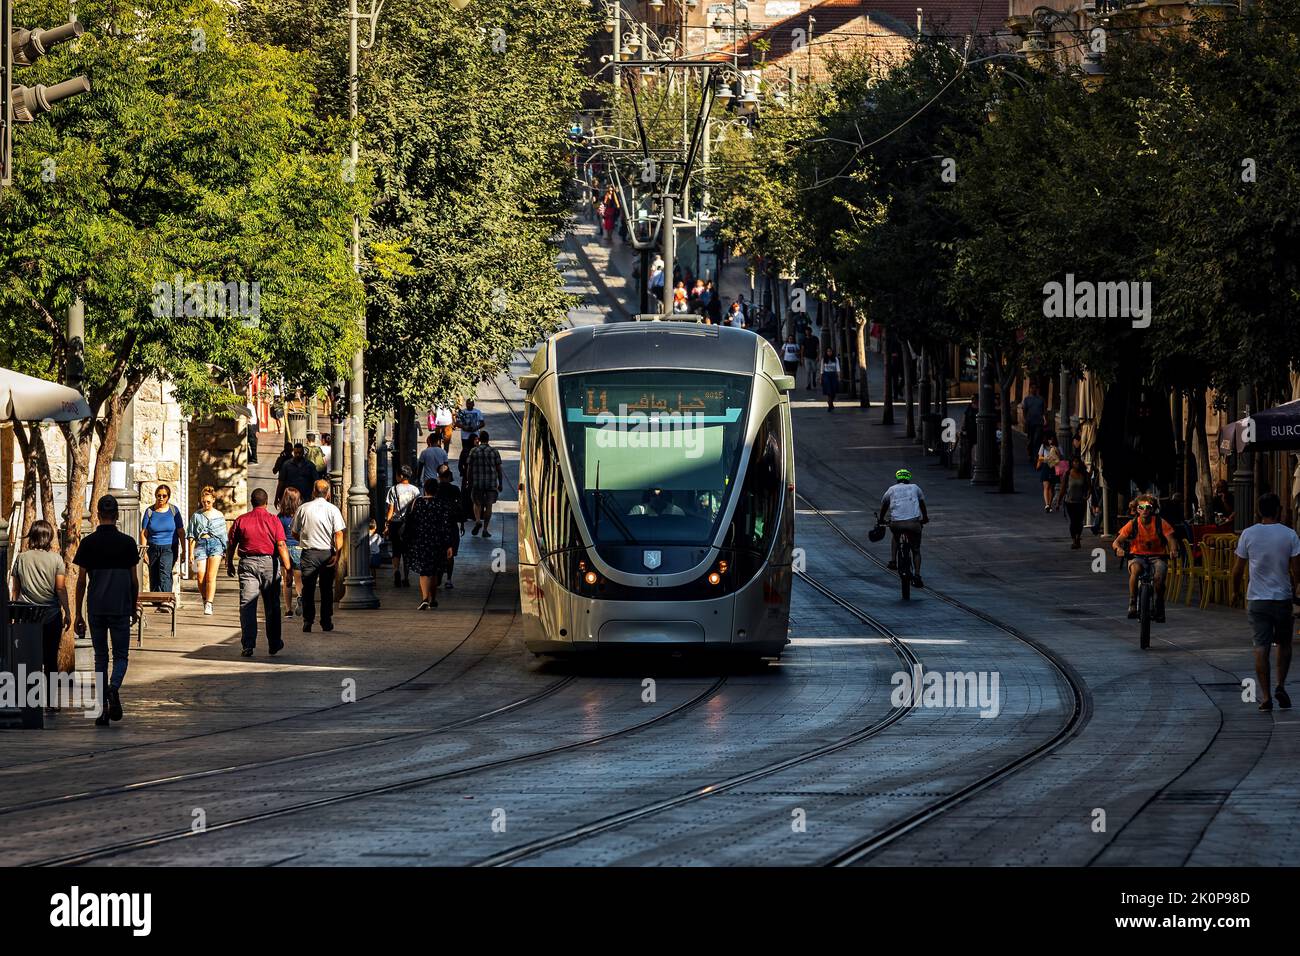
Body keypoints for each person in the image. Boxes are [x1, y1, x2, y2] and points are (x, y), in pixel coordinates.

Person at [73, 495, 140, 726]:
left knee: (101, 658)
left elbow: (81, 581)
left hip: (96, 608)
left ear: (98, 515)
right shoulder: (128, 543)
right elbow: (134, 580)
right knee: (121, 655)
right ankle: (114, 688)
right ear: (118, 515)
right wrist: (133, 606)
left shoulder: (88, 543)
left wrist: (78, 613)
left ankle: (102, 710)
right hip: (121, 606)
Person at [1231, 493, 1300, 711]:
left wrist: (1235, 592)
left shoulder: (1248, 534)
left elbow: (1237, 570)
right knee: (1284, 644)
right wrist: (1296, 589)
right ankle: (1280, 684)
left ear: (1259, 511)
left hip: (1257, 600)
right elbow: (1298, 570)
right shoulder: (1290, 535)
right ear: (1279, 509)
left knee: (1260, 648)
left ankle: (1265, 696)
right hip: (1282, 599)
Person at [11, 520, 70, 708]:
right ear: (49, 537)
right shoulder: (56, 559)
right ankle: (51, 701)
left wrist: (14, 613)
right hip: (51, 614)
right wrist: (68, 611)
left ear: (32, 536)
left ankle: (29, 700)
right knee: (50, 658)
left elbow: (15, 590)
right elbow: (60, 589)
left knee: (28, 657)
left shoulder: (21, 558)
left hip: (27, 615)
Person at [226, 488, 291, 656]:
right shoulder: (273, 520)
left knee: (247, 605)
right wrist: (287, 568)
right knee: (272, 605)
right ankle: (274, 643)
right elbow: (281, 545)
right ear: (267, 501)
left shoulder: (241, 520)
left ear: (251, 501)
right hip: (269, 563)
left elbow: (231, 543)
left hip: (247, 564)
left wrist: (229, 563)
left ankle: (248, 644)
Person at [291, 479, 346, 634]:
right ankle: (326, 621)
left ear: (313, 492)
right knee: (326, 589)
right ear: (328, 493)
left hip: (309, 553)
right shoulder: (333, 510)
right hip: (327, 553)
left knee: (308, 589)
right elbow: (339, 533)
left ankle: (308, 621)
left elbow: (294, 531)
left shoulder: (303, 508)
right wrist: (337, 553)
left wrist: (304, 540)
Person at [1112, 493, 1176, 622]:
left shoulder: (1160, 522)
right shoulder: (1132, 524)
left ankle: (1159, 606)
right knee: (1135, 570)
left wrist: (1173, 550)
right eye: (1141, 507)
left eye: (1148, 507)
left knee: (1159, 578)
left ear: (1152, 509)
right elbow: (1116, 542)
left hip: (1158, 557)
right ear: (1137, 509)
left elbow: (1171, 539)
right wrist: (1118, 549)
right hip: (1137, 556)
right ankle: (1132, 602)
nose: (1145, 510)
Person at [404, 477, 458, 610]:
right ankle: (433, 598)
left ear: (425, 489)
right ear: (437, 490)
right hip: (438, 541)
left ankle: (424, 598)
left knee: (424, 571)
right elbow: (446, 525)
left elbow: (410, 522)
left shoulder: (417, 503)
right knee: (434, 571)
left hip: (421, 540)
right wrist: (449, 545)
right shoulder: (442, 504)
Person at [877, 469, 929, 588]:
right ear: (908, 478)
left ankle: (893, 561)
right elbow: (922, 504)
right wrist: (925, 517)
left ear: (897, 479)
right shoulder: (915, 487)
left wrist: (881, 519)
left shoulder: (891, 489)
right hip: (913, 523)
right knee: (916, 550)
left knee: (896, 536)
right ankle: (917, 575)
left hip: (897, 524)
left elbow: (884, 505)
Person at [140, 485, 185, 609]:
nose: (161, 498)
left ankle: (166, 601)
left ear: (168, 497)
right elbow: (144, 532)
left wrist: (184, 550)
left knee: (165, 572)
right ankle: (156, 601)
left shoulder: (173, 511)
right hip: (153, 547)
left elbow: (181, 531)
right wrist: (144, 551)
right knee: (154, 574)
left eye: (164, 496)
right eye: (158, 495)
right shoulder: (150, 511)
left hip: (169, 547)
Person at [186, 486, 228, 615]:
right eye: (203, 502)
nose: (206, 504)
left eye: (208, 502)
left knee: (211, 576)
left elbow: (223, 535)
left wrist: (226, 551)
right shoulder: (197, 515)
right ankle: (205, 599)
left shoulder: (219, 515)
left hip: (216, 545)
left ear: (213, 500)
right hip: (201, 545)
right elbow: (191, 534)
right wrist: (190, 552)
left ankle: (209, 603)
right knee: (200, 577)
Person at [385, 464, 421, 587]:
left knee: (396, 550)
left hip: (395, 523)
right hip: (409, 524)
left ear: (400, 476)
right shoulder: (415, 490)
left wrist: (387, 523)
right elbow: (417, 509)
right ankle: (406, 577)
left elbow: (391, 509)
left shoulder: (393, 489)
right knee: (407, 551)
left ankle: (396, 571)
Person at [466, 429, 504, 538]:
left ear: (479, 439)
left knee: (476, 503)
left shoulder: (473, 451)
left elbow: (469, 468)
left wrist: (469, 481)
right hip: (491, 483)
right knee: (489, 506)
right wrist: (500, 483)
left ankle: (478, 520)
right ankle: (485, 529)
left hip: (477, 482)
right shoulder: (494, 451)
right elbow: (499, 469)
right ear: (488, 439)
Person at [435, 464, 463, 590]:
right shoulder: (455, 489)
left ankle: (439, 575)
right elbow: (460, 508)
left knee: (439, 552)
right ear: (449, 476)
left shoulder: (435, 488)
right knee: (450, 554)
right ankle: (449, 579)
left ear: (438, 476)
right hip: (451, 526)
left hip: (437, 526)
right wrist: (461, 524)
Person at [277, 486, 304, 617]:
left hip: (285, 550)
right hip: (298, 548)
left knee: (287, 580)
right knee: (299, 580)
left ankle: (288, 610)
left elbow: (279, 537)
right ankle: (300, 596)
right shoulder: (301, 515)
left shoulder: (280, 517)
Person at [1060, 456, 1091, 550]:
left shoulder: (1084, 474)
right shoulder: (1068, 474)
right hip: (1070, 501)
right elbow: (1063, 488)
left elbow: (1089, 486)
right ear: (1071, 463)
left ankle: (1078, 538)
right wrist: (1058, 501)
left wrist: (1088, 495)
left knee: (1079, 521)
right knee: (1073, 521)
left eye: (1077, 462)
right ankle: (1074, 540)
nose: (1076, 464)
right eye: (1074, 462)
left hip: (1081, 501)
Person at [276, 442, 316, 506]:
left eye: (299, 453)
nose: (297, 455)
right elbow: (281, 482)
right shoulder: (286, 465)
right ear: (293, 452)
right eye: (296, 453)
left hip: (306, 499)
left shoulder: (310, 465)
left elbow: (316, 481)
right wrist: (276, 497)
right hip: (291, 499)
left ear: (303, 453)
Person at [457, 433, 479, 533]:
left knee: (472, 496)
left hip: (473, 477)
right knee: (466, 496)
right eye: (475, 439)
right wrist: (464, 474)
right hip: (468, 477)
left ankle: (473, 514)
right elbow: (460, 464)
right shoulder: (467, 451)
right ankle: (466, 514)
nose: (477, 441)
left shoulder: (476, 450)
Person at [1035, 433, 1061, 512]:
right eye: (1049, 439)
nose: (1051, 440)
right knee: (1046, 486)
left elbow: (1061, 457)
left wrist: (1056, 450)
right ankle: (1047, 504)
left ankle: (1049, 504)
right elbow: (1040, 457)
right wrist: (1039, 464)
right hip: (1046, 466)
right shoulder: (1043, 446)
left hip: (1053, 467)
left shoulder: (1057, 447)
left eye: (1052, 439)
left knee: (1051, 488)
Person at [1022, 382, 1046, 467]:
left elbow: (1043, 411)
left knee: (1037, 439)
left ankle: (1036, 455)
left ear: (1037, 389)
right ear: (1029, 389)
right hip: (1030, 422)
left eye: (1035, 388)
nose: (1033, 389)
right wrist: (1025, 420)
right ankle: (1030, 453)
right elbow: (1024, 410)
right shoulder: (1027, 399)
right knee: (1030, 439)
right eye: (1032, 388)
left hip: (1039, 422)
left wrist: (1045, 420)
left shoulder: (1041, 399)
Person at [821, 347, 840, 412]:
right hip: (826, 375)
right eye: (828, 351)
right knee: (829, 391)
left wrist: (839, 376)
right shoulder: (824, 359)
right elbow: (822, 369)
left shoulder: (835, 359)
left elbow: (838, 368)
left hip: (833, 375)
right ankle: (830, 405)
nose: (829, 353)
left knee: (834, 391)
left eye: (830, 351)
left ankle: (830, 402)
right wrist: (821, 378)